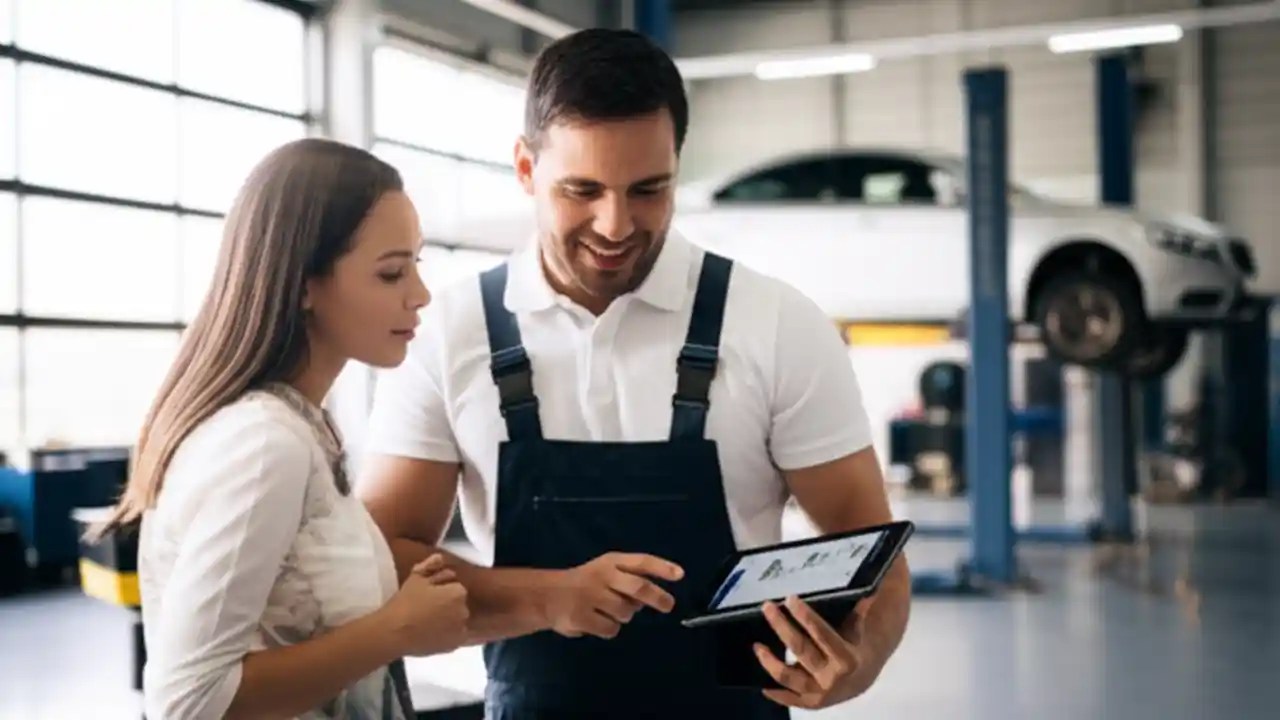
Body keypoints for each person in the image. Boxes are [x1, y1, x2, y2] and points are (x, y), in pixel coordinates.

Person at [359, 28, 911, 719]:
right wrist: (547, 596)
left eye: (648, 189)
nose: (615, 225)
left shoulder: (776, 324)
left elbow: (873, 556)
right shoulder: (450, 335)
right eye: (581, 190)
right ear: (527, 170)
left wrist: (860, 660)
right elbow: (383, 560)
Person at [97, 138, 471, 720]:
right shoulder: (264, 444)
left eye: (415, 265)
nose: (419, 295)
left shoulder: (300, 426)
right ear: (303, 284)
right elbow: (189, 701)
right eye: (391, 272)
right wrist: (396, 630)